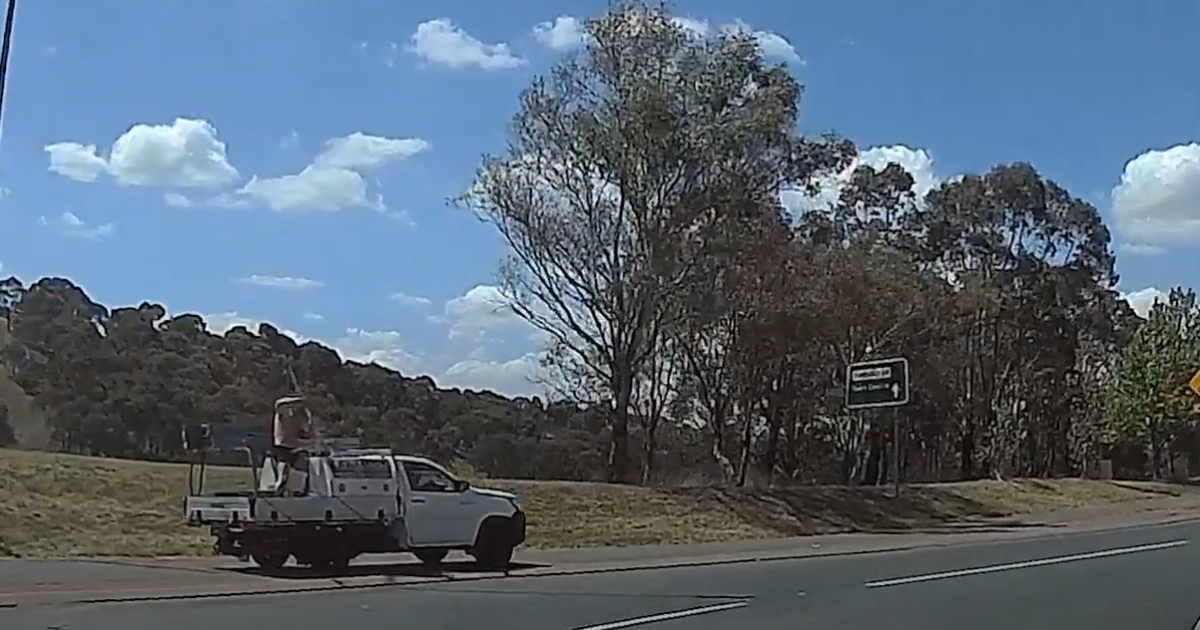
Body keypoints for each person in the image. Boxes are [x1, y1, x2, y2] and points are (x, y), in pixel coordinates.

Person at [271, 395, 316, 495]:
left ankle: (295, 489)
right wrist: (300, 399)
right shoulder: (284, 411)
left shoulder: (301, 416)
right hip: (282, 445)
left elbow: (307, 433)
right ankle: (281, 481)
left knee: (303, 460)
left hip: (295, 447)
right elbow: (279, 403)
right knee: (284, 461)